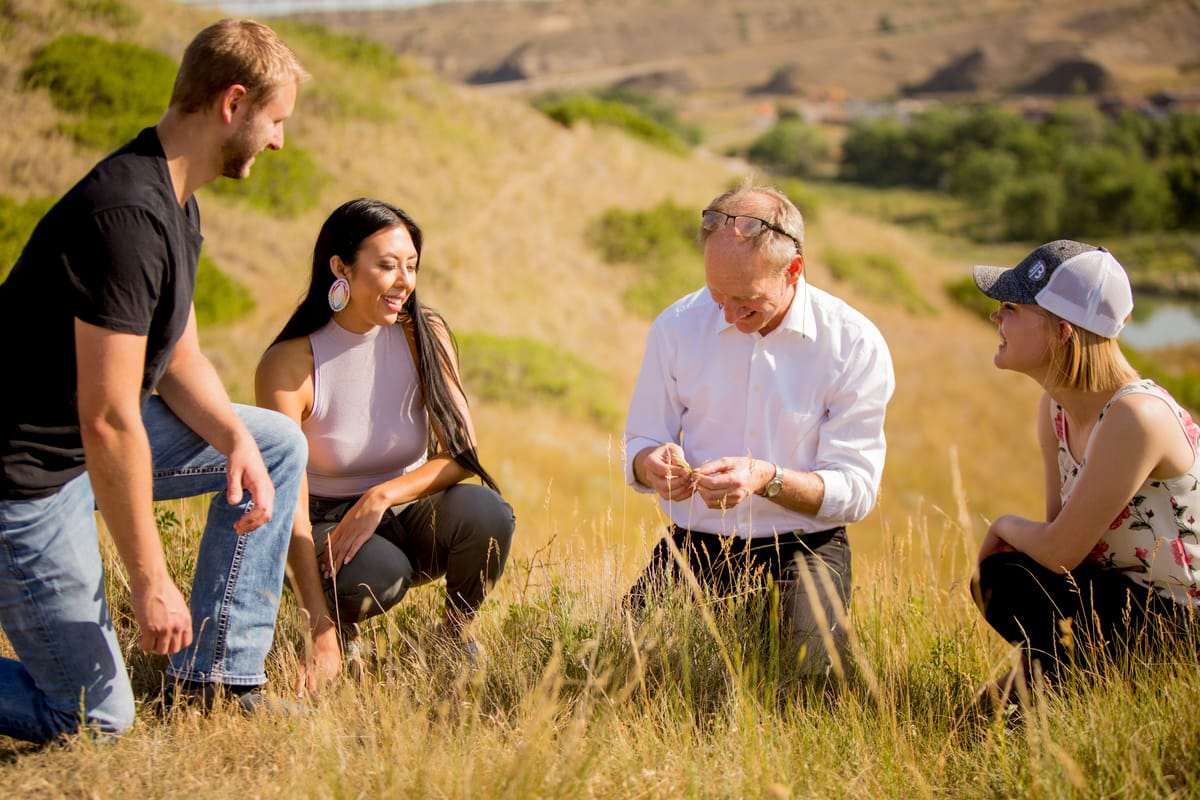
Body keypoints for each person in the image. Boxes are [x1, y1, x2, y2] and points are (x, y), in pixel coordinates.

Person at [0, 19, 309, 745]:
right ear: (233, 103)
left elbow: (178, 359)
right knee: (93, 720)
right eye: (276, 120)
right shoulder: (126, 217)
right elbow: (108, 418)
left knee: (275, 444)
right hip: (28, 476)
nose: (279, 142)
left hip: (83, 449)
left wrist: (236, 439)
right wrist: (150, 578)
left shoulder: (177, 202)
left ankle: (217, 679)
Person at [622, 182, 896, 681]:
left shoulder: (853, 343)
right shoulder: (676, 326)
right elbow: (640, 441)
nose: (726, 314)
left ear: (794, 270)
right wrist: (651, 464)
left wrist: (767, 478)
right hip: (695, 543)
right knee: (618, 667)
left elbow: (856, 492)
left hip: (806, 548)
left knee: (807, 684)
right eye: (716, 294)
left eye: (746, 300)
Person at [255, 197, 515, 675]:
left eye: (412, 266)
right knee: (381, 576)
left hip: (406, 506)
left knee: (488, 513)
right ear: (341, 267)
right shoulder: (290, 363)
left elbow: (462, 455)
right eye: (388, 265)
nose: (404, 282)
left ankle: (452, 636)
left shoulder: (424, 333)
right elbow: (285, 501)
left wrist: (380, 497)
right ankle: (342, 627)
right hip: (323, 525)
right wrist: (318, 629)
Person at [969, 240, 1199, 699]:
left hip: (1181, 627)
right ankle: (1049, 690)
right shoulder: (1055, 407)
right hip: (1120, 604)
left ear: (1063, 332)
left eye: (1012, 307)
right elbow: (1059, 544)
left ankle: (1049, 693)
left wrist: (1003, 525)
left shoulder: (1137, 416)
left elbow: (1059, 552)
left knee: (1008, 572)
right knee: (1006, 575)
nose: (997, 315)